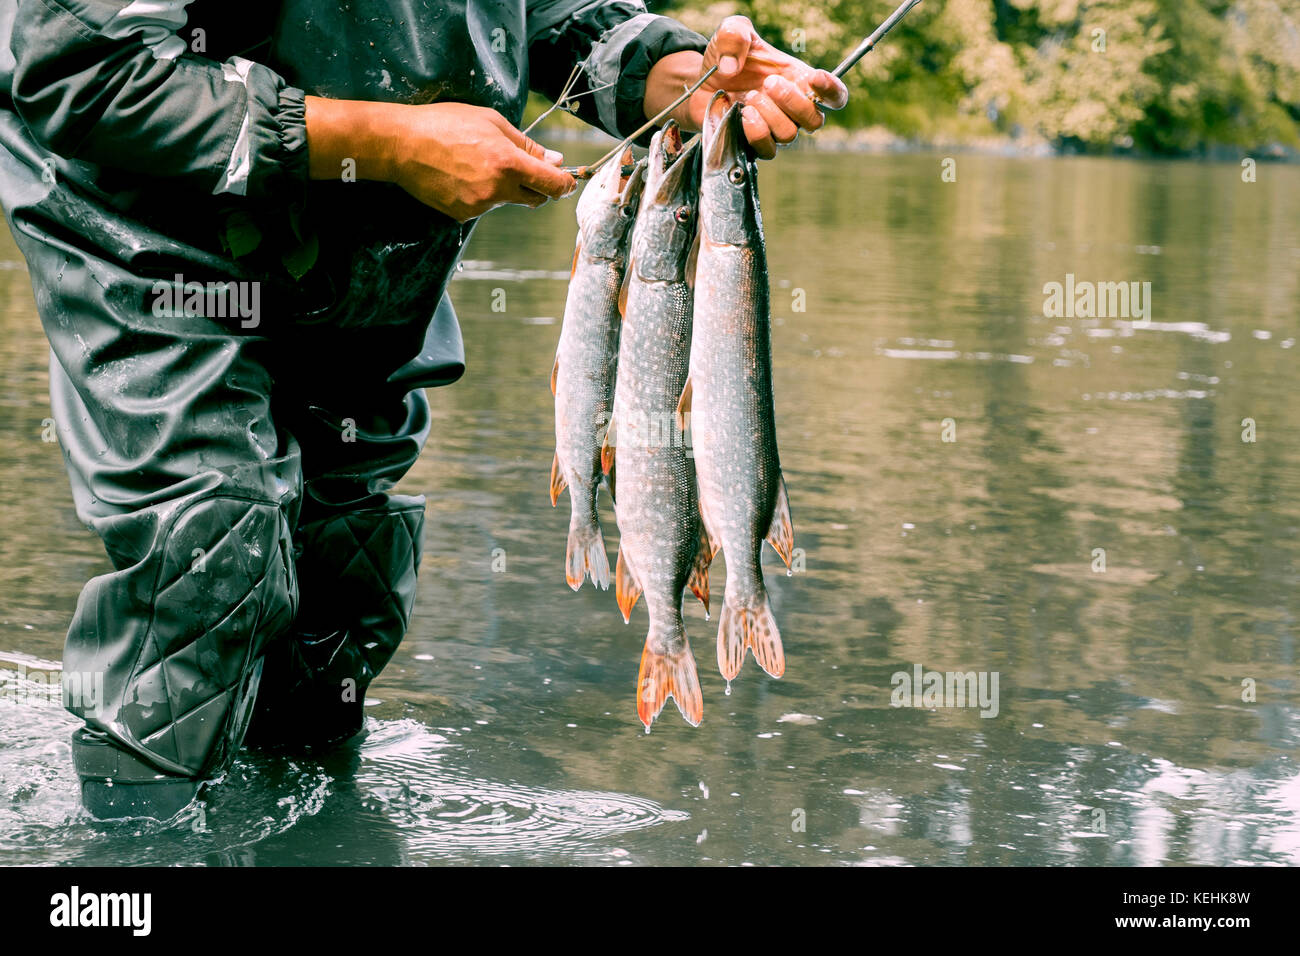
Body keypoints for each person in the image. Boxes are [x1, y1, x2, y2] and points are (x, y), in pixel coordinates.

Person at [0, 0, 847, 820]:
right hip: (154, 237)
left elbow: (535, 15)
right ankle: (132, 865)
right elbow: (83, 68)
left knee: (343, 583)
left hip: (364, 253)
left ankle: (292, 827)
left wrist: (668, 73)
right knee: (216, 554)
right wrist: (389, 142)